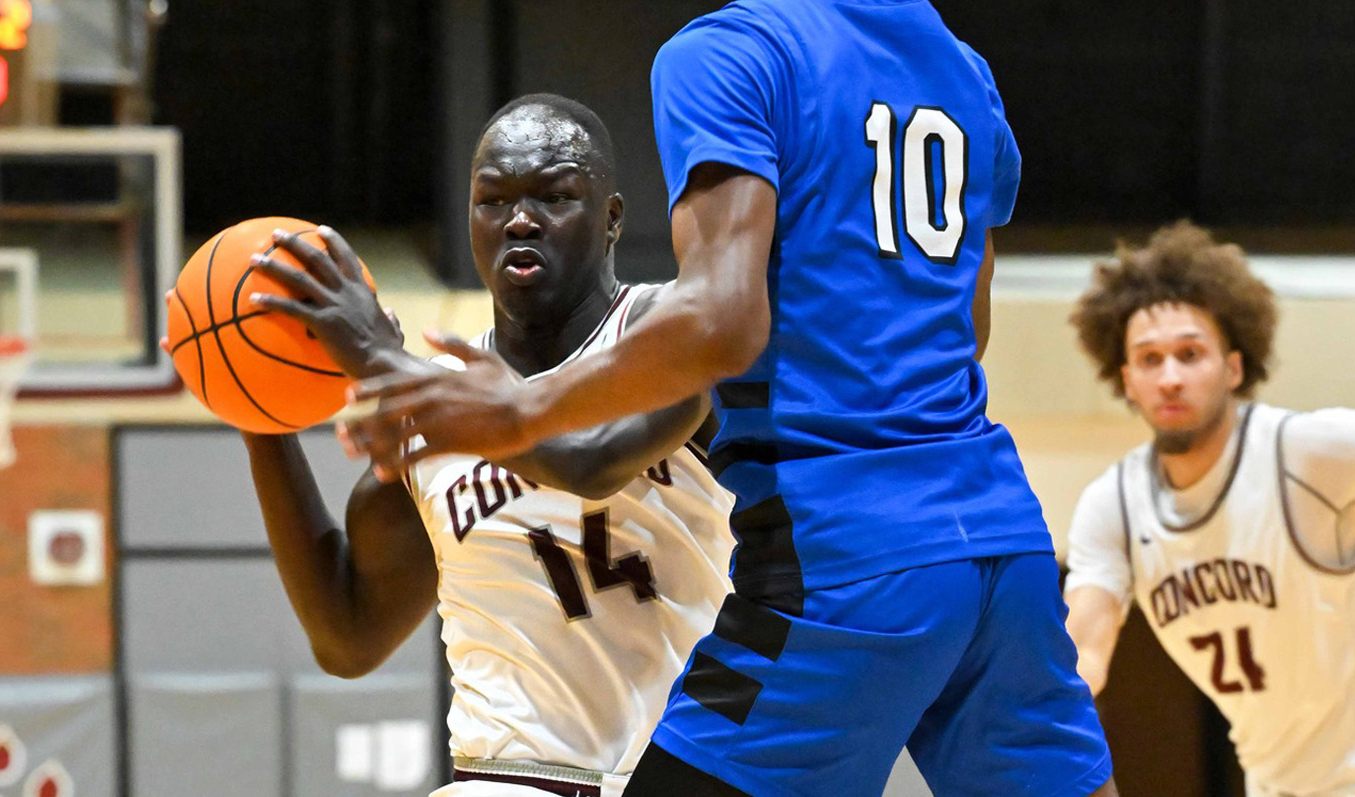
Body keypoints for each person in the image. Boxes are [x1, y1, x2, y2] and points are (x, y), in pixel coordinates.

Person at [337, 4, 1117, 796]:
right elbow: (968, 327)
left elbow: (720, 321)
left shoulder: (733, 49)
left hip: (839, 559)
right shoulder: (961, 71)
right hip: (1000, 541)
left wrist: (515, 411)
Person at [183, 94, 737, 797]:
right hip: (510, 776)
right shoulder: (431, 402)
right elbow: (347, 635)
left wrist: (390, 367)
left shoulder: (663, 330)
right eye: (492, 200)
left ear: (613, 218)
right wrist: (257, 406)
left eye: (556, 196)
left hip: (676, 771)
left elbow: (595, 463)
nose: (521, 219)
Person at [1064, 221, 1355, 797]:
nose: (1170, 377)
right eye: (1150, 360)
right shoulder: (1114, 507)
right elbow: (1083, 657)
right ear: (1126, 380)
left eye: (1190, 354)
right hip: (1276, 785)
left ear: (1234, 367)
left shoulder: (1308, 452)